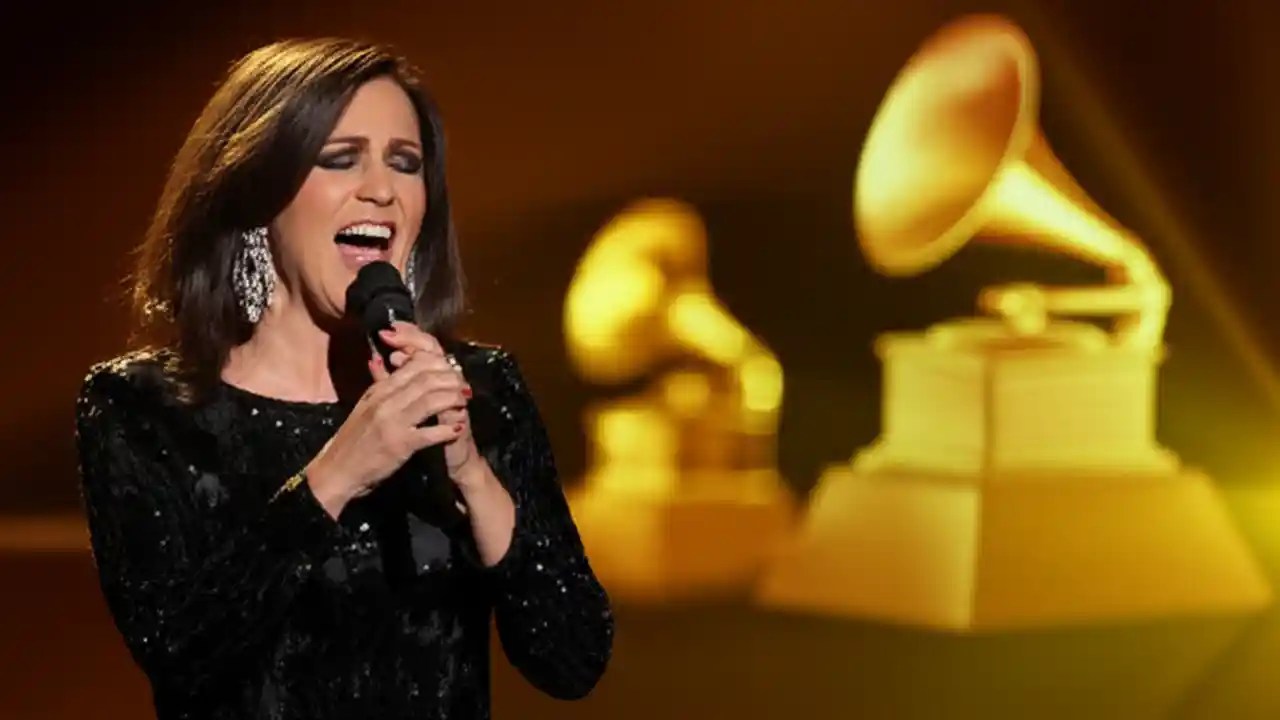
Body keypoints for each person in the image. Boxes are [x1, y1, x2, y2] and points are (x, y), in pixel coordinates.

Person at [73, 37, 613, 719]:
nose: (382, 190)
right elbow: (183, 653)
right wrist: (340, 470)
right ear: (257, 192)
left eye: (405, 163)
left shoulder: (480, 388)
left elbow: (573, 660)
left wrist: (472, 474)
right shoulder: (144, 409)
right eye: (340, 158)